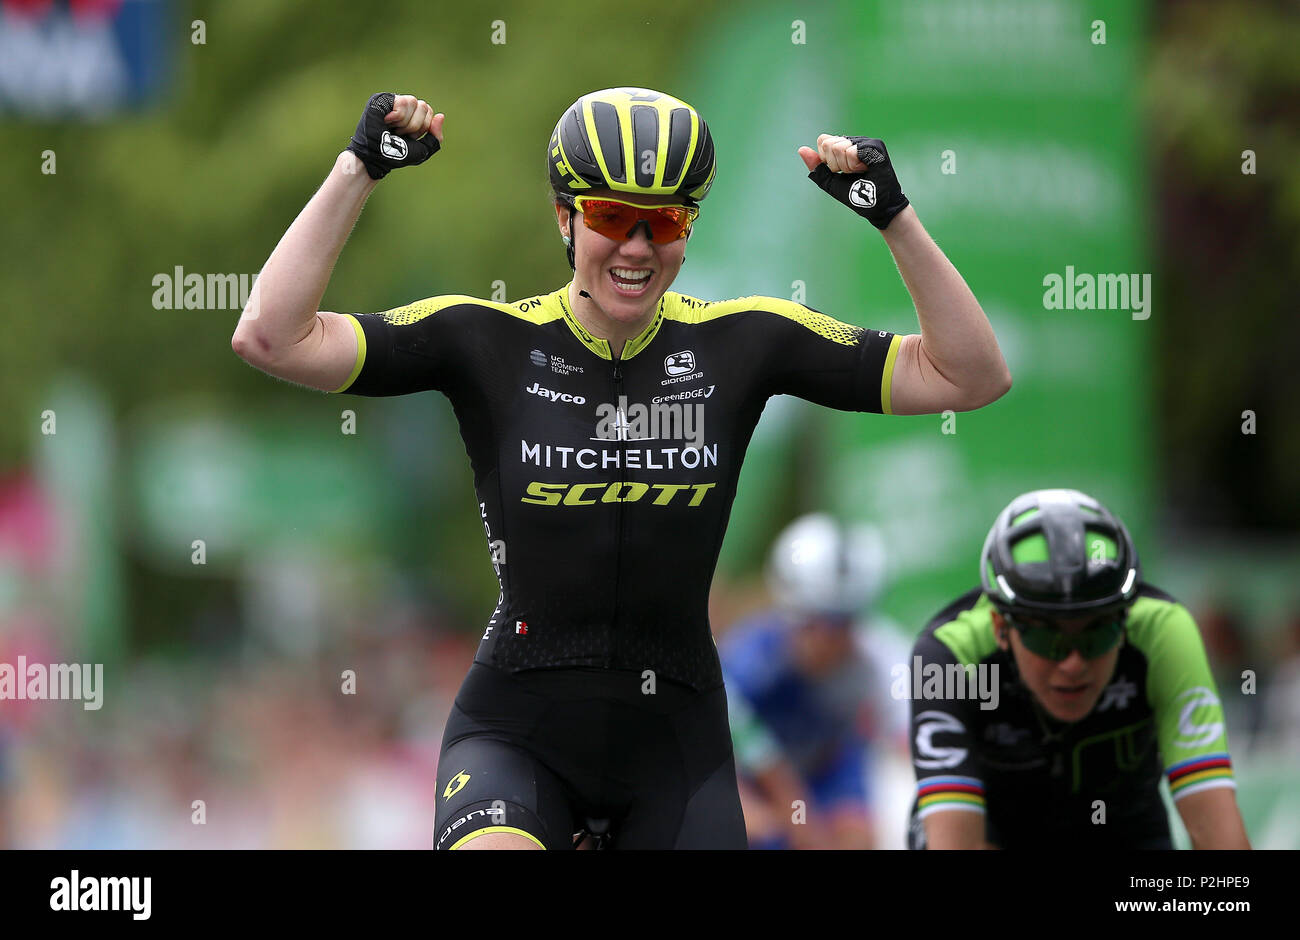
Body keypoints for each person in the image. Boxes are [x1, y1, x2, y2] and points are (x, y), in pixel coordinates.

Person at [231, 87, 1011, 849]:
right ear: (564, 216)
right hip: (518, 732)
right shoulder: (484, 338)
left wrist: (893, 217)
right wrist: (360, 165)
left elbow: (969, 376)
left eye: (663, 221)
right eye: (610, 217)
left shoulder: (747, 342)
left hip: (676, 748)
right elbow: (272, 336)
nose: (636, 247)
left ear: (687, 228)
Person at [905, 488, 1251, 849]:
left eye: (1097, 633)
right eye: (1046, 638)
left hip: (1122, 829)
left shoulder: (1163, 632)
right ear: (1000, 628)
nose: (1073, 664)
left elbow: (1220, 839)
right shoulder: (947, 658)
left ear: (1126, 620)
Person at [722, 514, 910, 849]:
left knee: (855, 838)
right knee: (753, 832)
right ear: (794, 615)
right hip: (749, 782)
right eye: (825, 624)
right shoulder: (745, 663)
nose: (838, 639)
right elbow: (752, 766)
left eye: (849, 623)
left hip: (830, 770)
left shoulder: (877, 656)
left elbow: (913, 741)